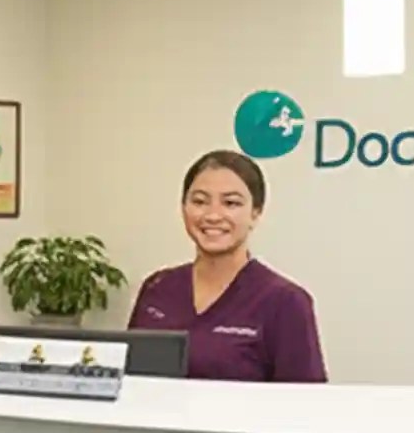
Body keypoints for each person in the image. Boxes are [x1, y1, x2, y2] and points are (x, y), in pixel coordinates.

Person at [127, 150, 327, 382]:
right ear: (183, 209)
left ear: (255, 213)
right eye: (200, 201)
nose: (213, 215)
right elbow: (130, 382)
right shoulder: (157, 287)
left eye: (231, 203)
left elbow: (306, 405)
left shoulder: (285, 301)